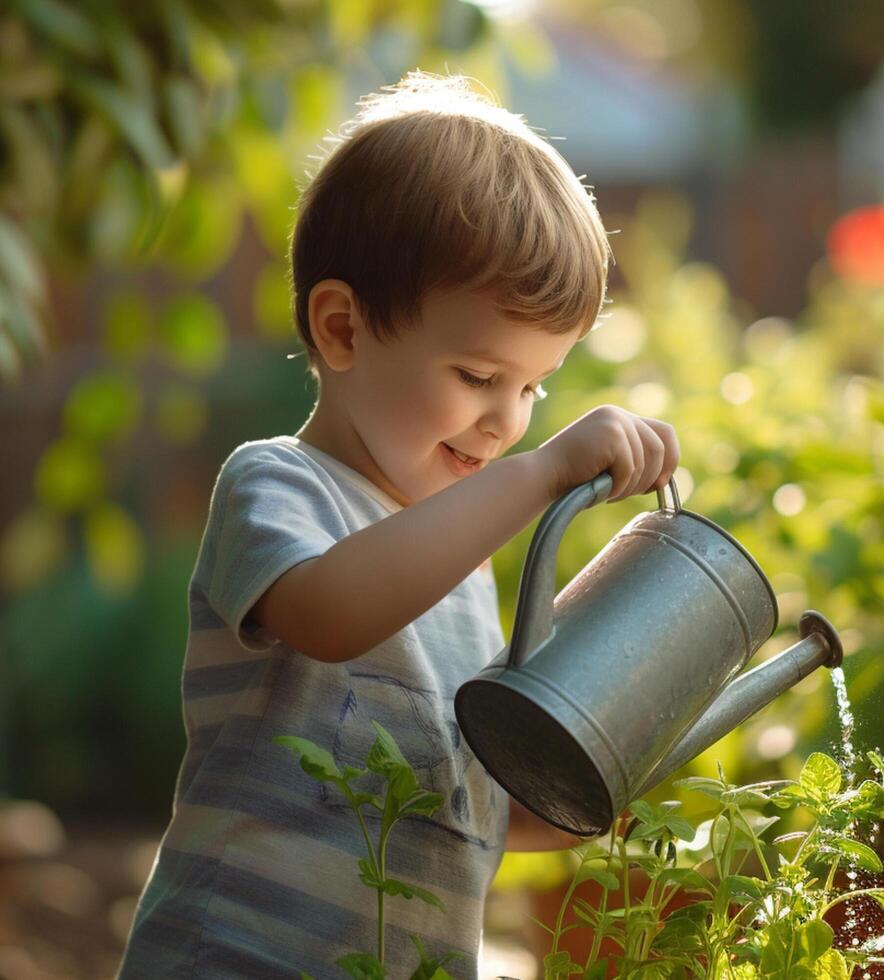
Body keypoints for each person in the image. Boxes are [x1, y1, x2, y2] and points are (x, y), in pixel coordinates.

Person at [117, 70, 680, 978]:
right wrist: (542, 476)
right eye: (477, 376)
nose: (508, 422)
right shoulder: (277, 486)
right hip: (237, 958)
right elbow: (334, 617)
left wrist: (605, 746)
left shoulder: (454, 567)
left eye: (534, 387)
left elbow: (484, 808)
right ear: (342, 330)